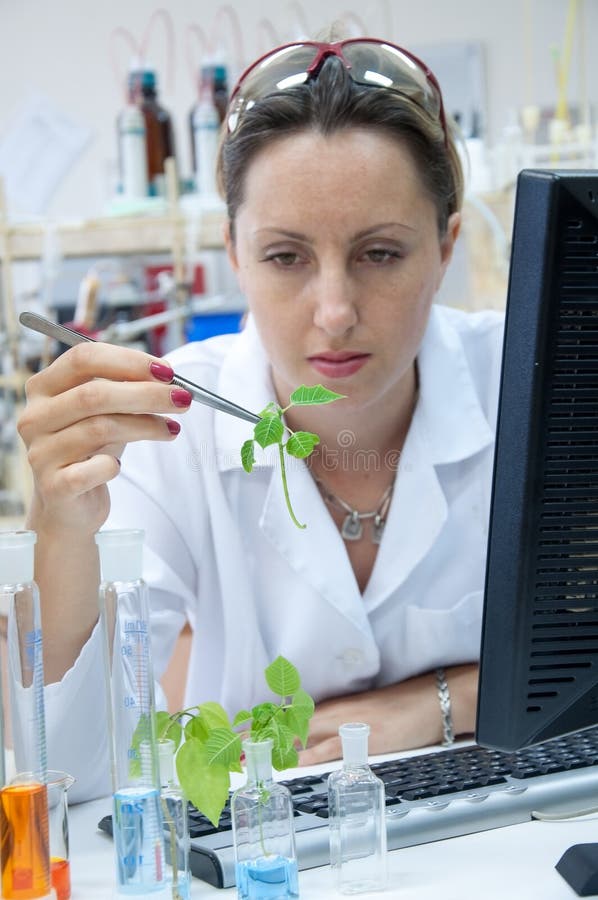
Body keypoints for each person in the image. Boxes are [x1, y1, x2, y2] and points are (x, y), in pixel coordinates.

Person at [17, 33, 504, 801]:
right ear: (235, 255)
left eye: (380, 254)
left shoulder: (531, 379)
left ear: (445, 248)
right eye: (286, 257)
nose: (335, 312)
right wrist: (60, 529)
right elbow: (68, 771)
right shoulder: (166, 421)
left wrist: (441, 702)